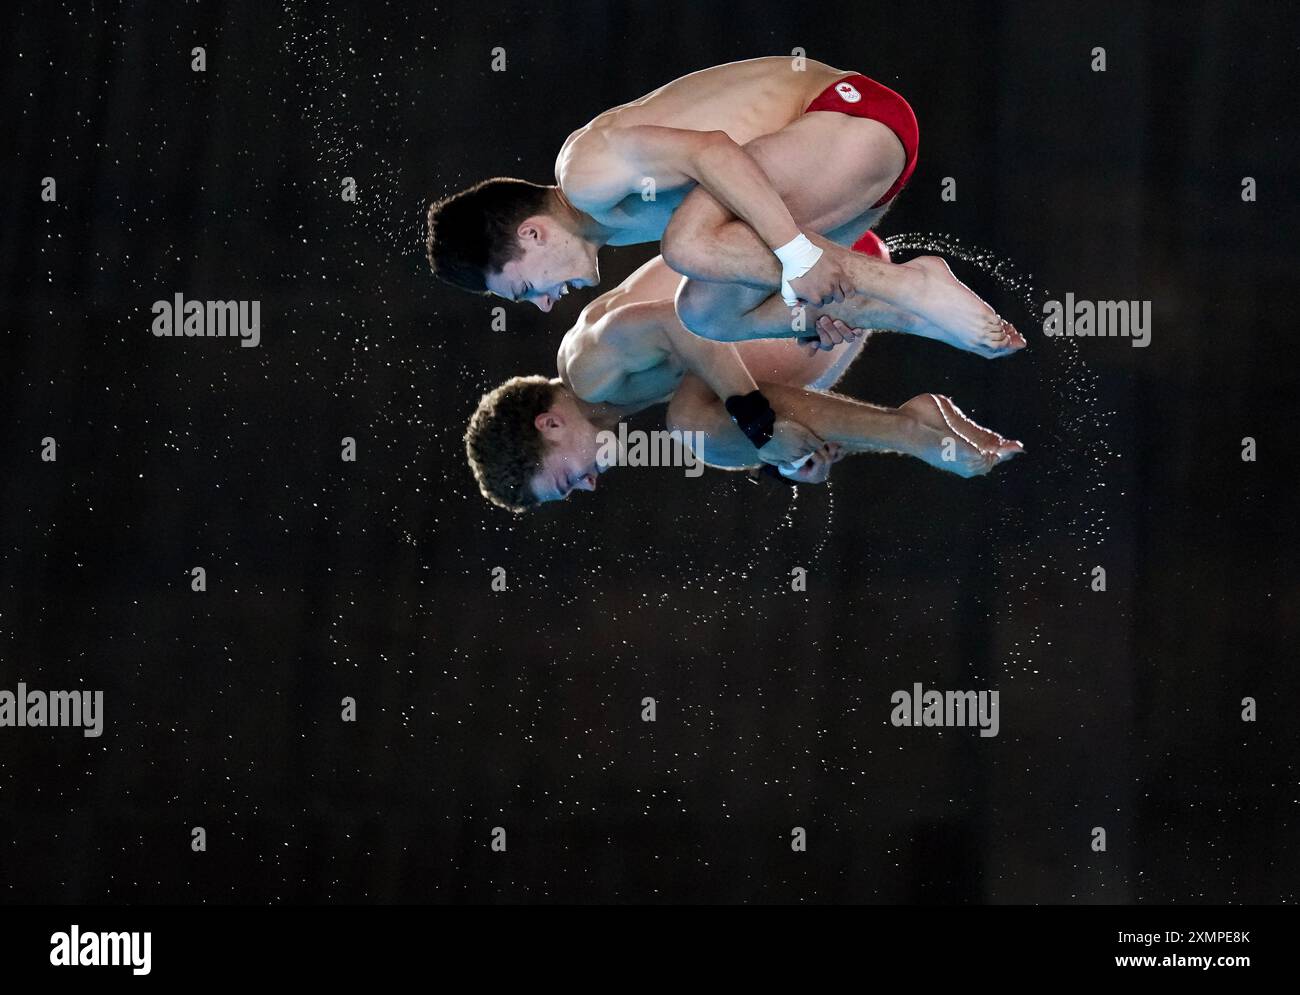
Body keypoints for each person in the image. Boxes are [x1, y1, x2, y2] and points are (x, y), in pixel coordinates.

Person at [426, 56, 1026, 359]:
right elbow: (759, 225)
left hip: (851, 116)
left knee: (687, 247)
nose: (544, 303)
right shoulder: (609, 224)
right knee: (706, 315)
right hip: (847, 175)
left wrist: (795, 257)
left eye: (524, 288)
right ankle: (916, 315)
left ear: (531, 236)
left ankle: (913, 284)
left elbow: (713, 152)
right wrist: (806, 296)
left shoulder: (583, 175)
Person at [464, 246, 1023, 512]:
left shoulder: (584, 366)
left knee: (696, 423)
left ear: (550, 424)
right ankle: (908, 422)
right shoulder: (613, 403)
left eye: (566, 480)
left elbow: (677, 320)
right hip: (817, 304)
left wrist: (759, 424)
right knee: (720, 433)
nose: (588, 486)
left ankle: (908, 322)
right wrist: (786, 458)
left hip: (816, 261)